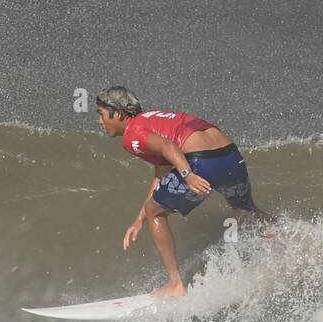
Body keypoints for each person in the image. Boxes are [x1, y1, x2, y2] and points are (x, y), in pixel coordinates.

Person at [95, 86, 272, 297]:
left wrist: (188, 175)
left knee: (157, 213)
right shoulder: (153, 120)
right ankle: (287, 238)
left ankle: (175, 285)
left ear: (119, 114)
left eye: (102, 114)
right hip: (231, 157)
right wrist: (139, 220)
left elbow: (167, 146)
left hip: (202, 162)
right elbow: (161, 174)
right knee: (247, 210)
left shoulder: (133, 134)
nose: (100, 121)